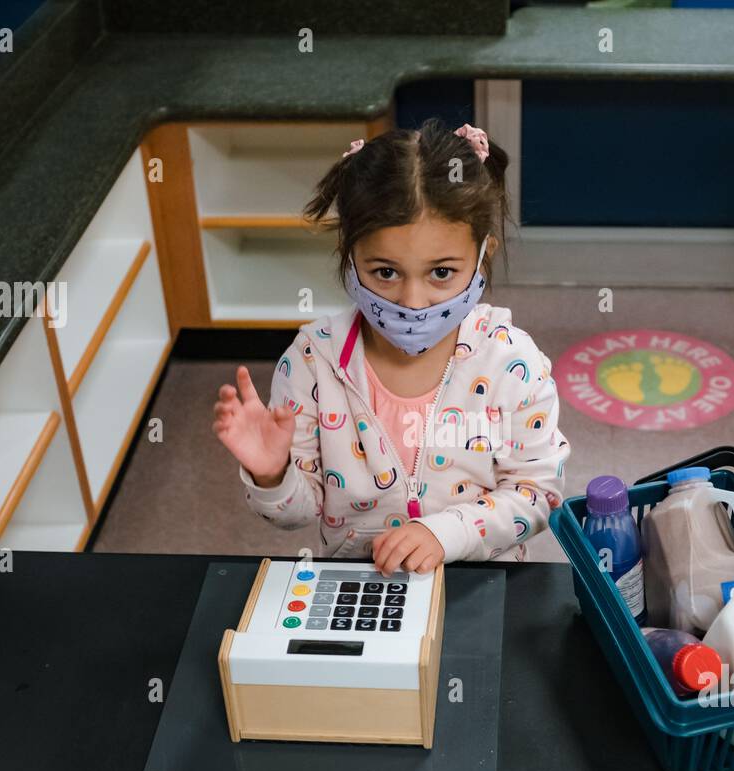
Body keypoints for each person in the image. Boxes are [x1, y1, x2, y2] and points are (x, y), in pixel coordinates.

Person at [212, 118, 570, 575]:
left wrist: (446, 533)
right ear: (350, 256)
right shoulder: (310, 362)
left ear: (485, 256)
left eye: (441, 272)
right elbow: (294, 515)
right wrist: (272, 475)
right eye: (385, 272)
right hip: (360, 587)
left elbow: (539, 494)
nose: (412, 301)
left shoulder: (512, 363)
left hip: (477, 580)